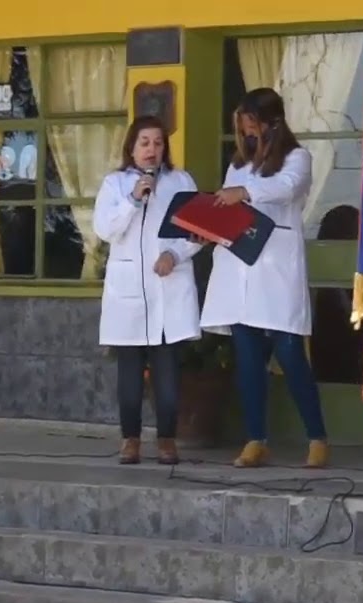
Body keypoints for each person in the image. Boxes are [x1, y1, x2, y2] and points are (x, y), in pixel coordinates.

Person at [200, 88, 328, 468]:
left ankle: (317, 436)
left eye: (254, 126)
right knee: (248, 360)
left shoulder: (297, 158)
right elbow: (227, 205)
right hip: (237, 270)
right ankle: (256, 439)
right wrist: (205, 228)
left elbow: (286, 189)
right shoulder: (238, 165)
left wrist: (245, 192)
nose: (249, 134)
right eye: (244, 128)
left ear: (274, 122)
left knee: (290, 355)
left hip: (276, 271)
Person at [93, 115, 202, 465]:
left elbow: (197, 233)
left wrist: (175, 253)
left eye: (157, 143)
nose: (151, 150)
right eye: (144, 143)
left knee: (167, 374)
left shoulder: (180, 181)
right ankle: (131, 440)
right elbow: (105, 229)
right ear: (131, 146)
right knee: (129, 376)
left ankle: (167, 439)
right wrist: (132, 199)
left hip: (168, 288)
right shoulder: (115, 184)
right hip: (129, 293)